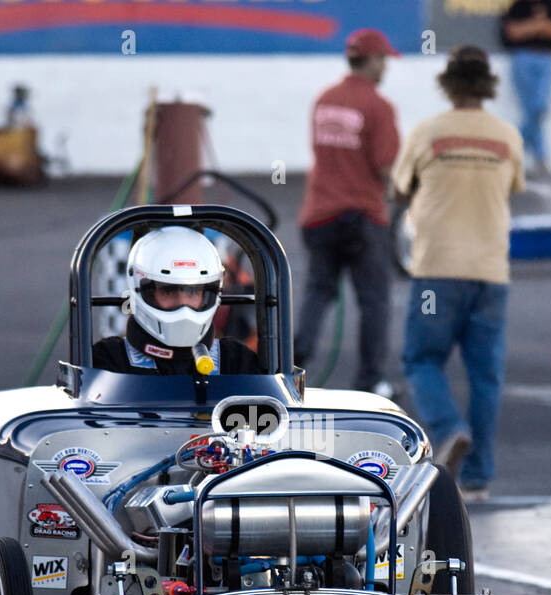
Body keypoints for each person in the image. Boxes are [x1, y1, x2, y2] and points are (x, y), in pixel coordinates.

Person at [391, 47, 524, 500]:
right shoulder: (507, 135)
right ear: (488, 86)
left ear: (447, 86)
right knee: (485, 375)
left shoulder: (428, 133)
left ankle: (449, 429)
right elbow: (513, 186)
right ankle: (478, 478)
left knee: (422, 359)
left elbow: (399, 187)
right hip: (490, 270)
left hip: (437, 268)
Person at [293, 28, 401, 397]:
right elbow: (386, 165)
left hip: (319, 213)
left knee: (317, 292)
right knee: (373, 300)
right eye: (383, 59)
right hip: (362, 216)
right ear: (370, 60)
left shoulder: (325, 99)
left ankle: (289, 369)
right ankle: (371, 381)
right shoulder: (378, 106)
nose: (385, 67)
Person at [92, 226, 261, 376]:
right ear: (141, 292)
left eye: (193, 291)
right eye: (168, 291)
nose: (183, 306)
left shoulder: (235, 361)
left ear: (210, 293)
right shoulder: (107, 361)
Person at [498, 0, 551, 176]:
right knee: (530, 109)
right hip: (522, 58)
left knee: (539, 107)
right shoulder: (517, 6)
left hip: (546, 58)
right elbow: (513, 33)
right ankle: (541, 157)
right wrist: (538, 26)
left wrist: (530, 28)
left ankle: (512, 151)